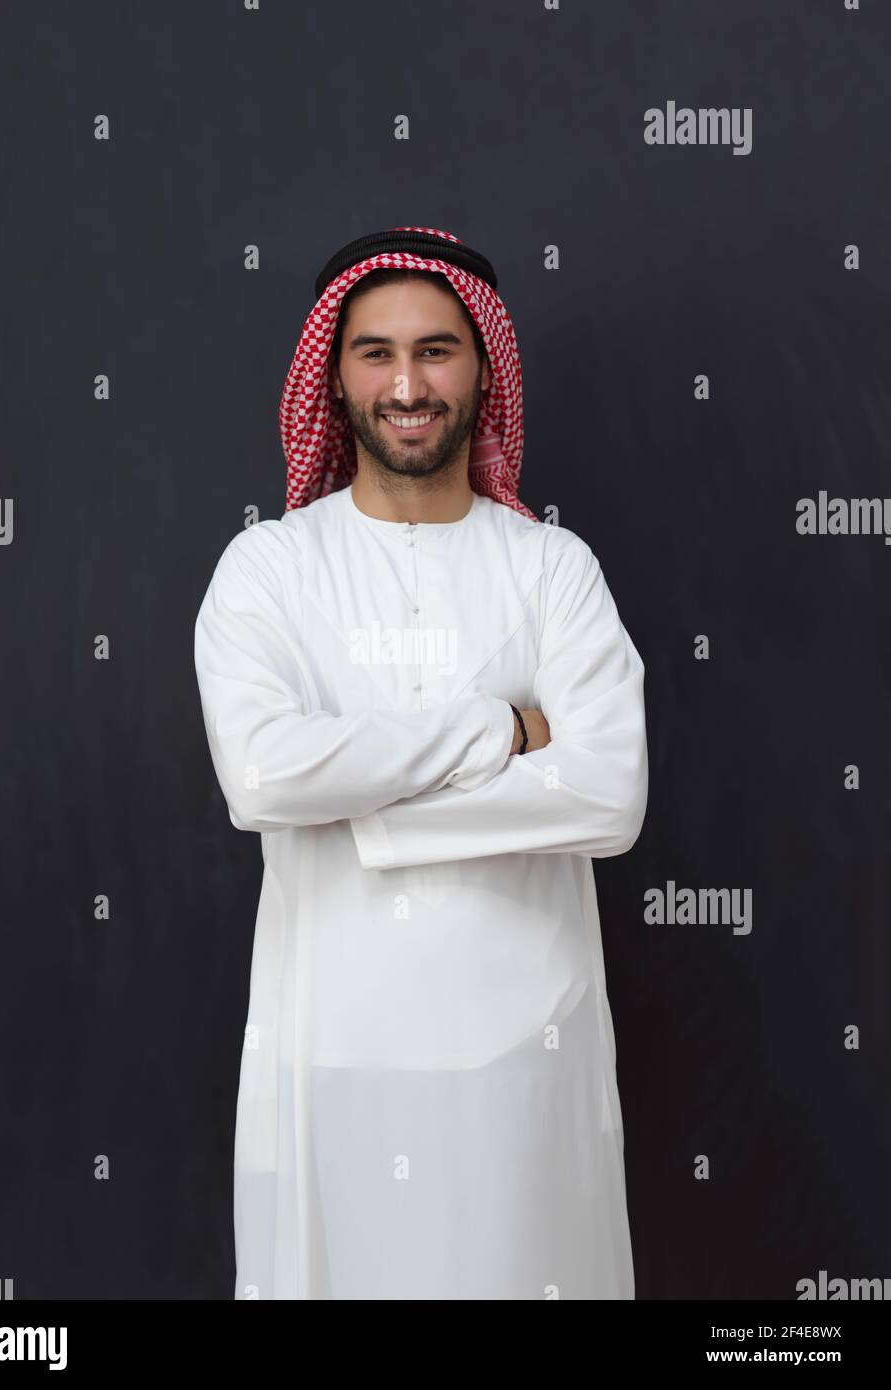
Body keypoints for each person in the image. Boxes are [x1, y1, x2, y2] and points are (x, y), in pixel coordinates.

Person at [194, 226, 649, 1300]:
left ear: (484, 368)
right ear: (334, 373)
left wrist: (371, 809)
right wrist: (496, 730)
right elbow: (263, 777)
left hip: (525, 1064)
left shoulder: (553, 570)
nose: (408, 383)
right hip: (331, 1057)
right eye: (375, 352)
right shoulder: (268, 569)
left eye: (438, 350)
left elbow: (609, 794)